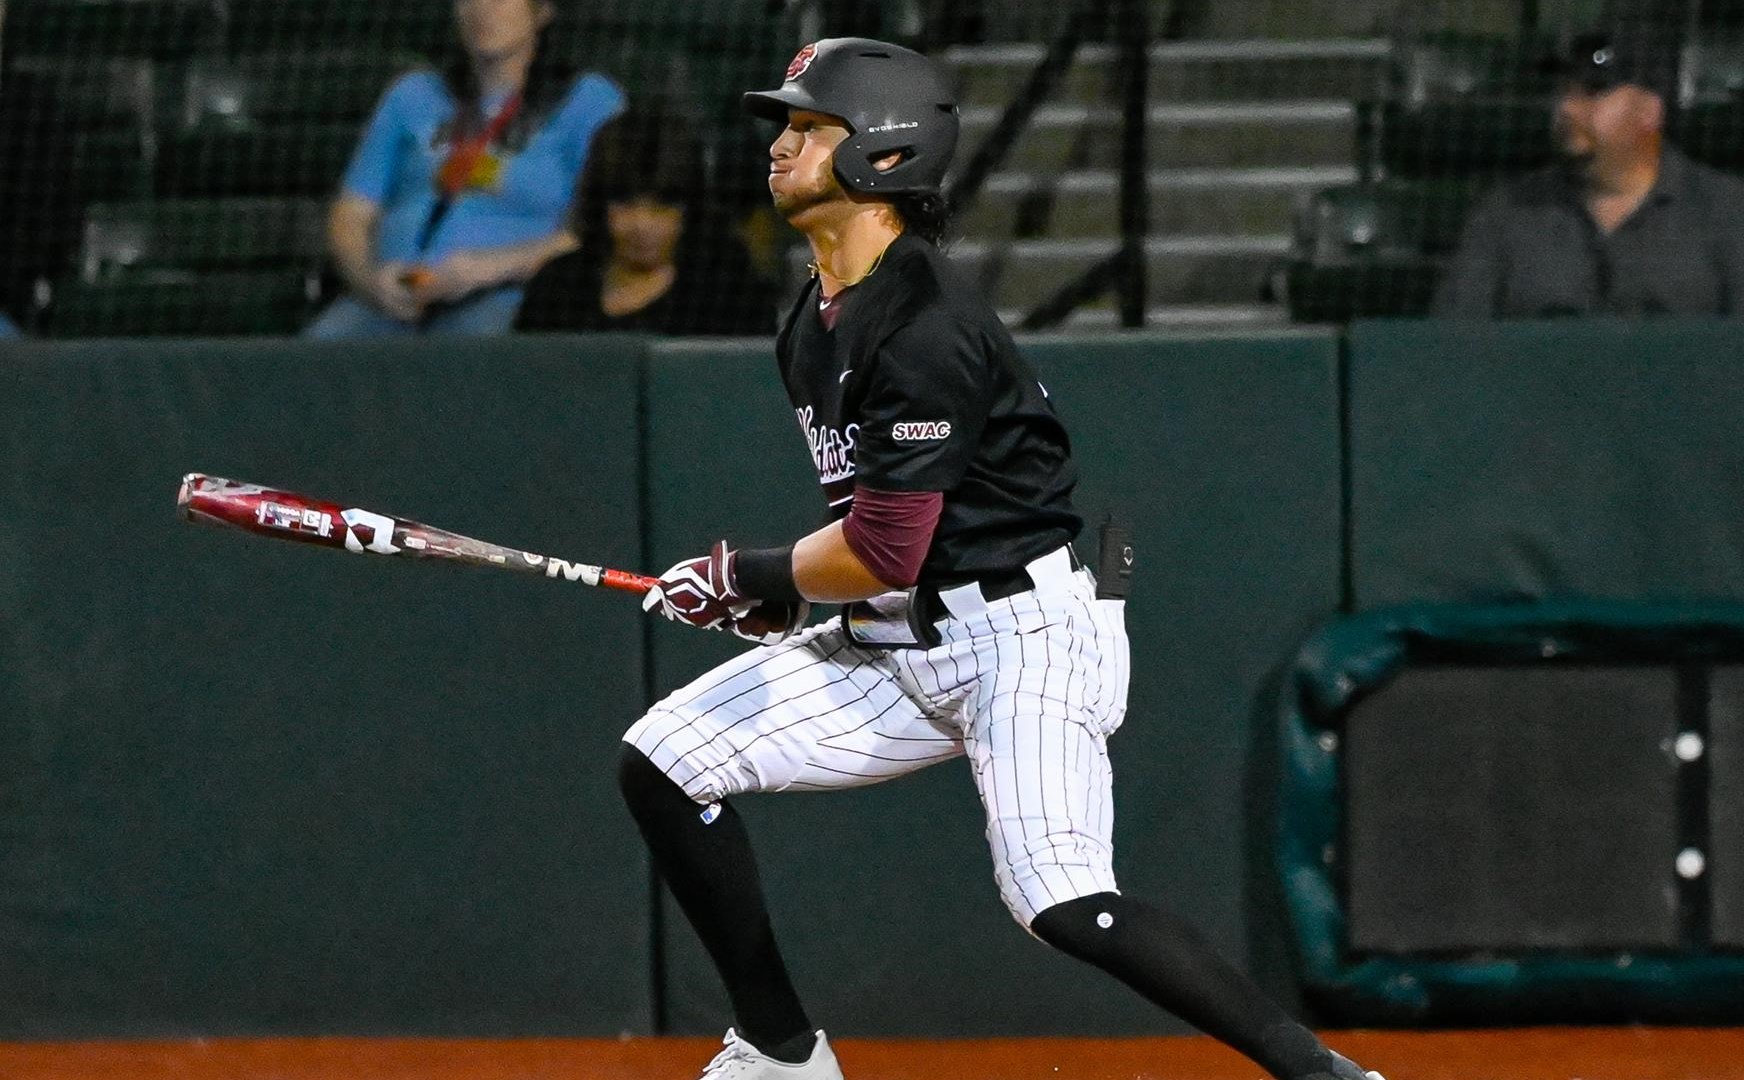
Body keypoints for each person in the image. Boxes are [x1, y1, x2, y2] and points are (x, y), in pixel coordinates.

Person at [617, 38, 1390, 1080]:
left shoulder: (925, 323)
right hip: (894, 641)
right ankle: (779, 1048)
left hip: (1016, 641)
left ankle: (1323, 1073)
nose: (782, 144)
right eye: (785, 124)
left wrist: (751, 574)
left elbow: (890, 545)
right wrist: (779, 596)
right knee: (663, 758)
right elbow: (872, 538)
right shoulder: (812, 312)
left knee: (1059, 900)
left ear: (884, 158)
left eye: (810, 125)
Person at [306, 0, 624, 338]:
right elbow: (351, 214)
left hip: (503, 297)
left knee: (465, 360)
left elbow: (596, 230)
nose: (482, 9)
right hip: (390, 297)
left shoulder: (587, 100)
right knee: (310, 360)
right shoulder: (413, 94)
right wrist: (370, 282)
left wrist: (485, 270)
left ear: (542, 12)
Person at [1432, 28, 1744, 318]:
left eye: (1592, 93)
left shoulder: (1726, 213)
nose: (1568, 108)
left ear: (1649, 111)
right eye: (1564, 91)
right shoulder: (1508, 213)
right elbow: (1454, 352)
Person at [515, 106, 779, 335]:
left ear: (691, 208)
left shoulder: (728, 292)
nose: (642, 225)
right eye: (625, 203)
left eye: (662, 206)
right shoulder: (557, 289)